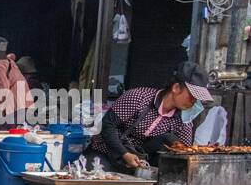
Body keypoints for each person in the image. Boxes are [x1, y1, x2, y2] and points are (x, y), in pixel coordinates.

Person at [82, 62, 213, 173]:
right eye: (192, 95)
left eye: (197, 98)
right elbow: (107, 125)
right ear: (176, 87)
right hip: (106, 153)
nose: (194, 101)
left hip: (139, 164)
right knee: (93, 175)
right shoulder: (139, 97)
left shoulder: (184, 120)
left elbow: (184, 152)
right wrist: (124, 154)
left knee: (170, 141)